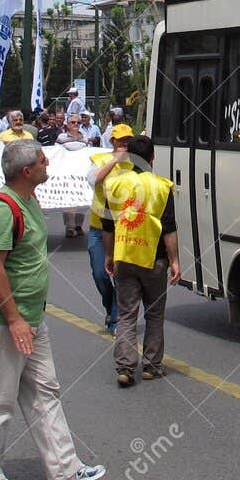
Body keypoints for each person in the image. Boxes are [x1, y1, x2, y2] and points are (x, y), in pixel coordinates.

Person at [0, 138, 106, 480]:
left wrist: (25, 318)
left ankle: (64, 469)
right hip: (4, 323)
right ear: (26, 171)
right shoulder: (2, 209)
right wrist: (13, 318)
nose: (49, 165)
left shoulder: (30, 199)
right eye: (44, 162)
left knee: (46, 391)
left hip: (31, 319)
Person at [100, 135, 180, 387]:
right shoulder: (162, 186)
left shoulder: (114, 185)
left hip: (125, 257)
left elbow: (108, 226)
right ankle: (151, 367)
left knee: (126, 314)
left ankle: (124, 368)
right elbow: (168, 228)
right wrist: (174, 260)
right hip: (154, 260)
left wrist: (109, 255)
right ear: (153, 157)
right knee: (154, 314)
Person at [85, 124, 133, 333]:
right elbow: (93, 179)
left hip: (124, 229)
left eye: (128, 140)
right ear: (112, 141)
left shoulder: (136, 163)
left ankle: (116, 320)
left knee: (121, 277)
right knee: (100, 274)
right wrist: (115, 161)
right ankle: (110, 306)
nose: (125, 144)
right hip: (99, 228)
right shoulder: (101, 160)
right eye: (121, 140)